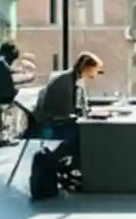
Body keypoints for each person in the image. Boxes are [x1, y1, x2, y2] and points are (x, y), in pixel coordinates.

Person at [32, 52, 103, 183]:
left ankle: (68, 166)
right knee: (81, 133)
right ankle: (57, 162)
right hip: (50, 124)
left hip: (58, 118)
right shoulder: (65, 83)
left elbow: (80, 107)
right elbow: (64, 111)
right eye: (96, 70)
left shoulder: (76, 80)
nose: (96, 74)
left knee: (84, 131)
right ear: (87, 68)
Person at [0, 41, 37, 148]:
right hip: (6, 95)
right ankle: (5, 137)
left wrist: (15, 71)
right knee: (7, 116)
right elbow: (7, 74)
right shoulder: (2, 62)